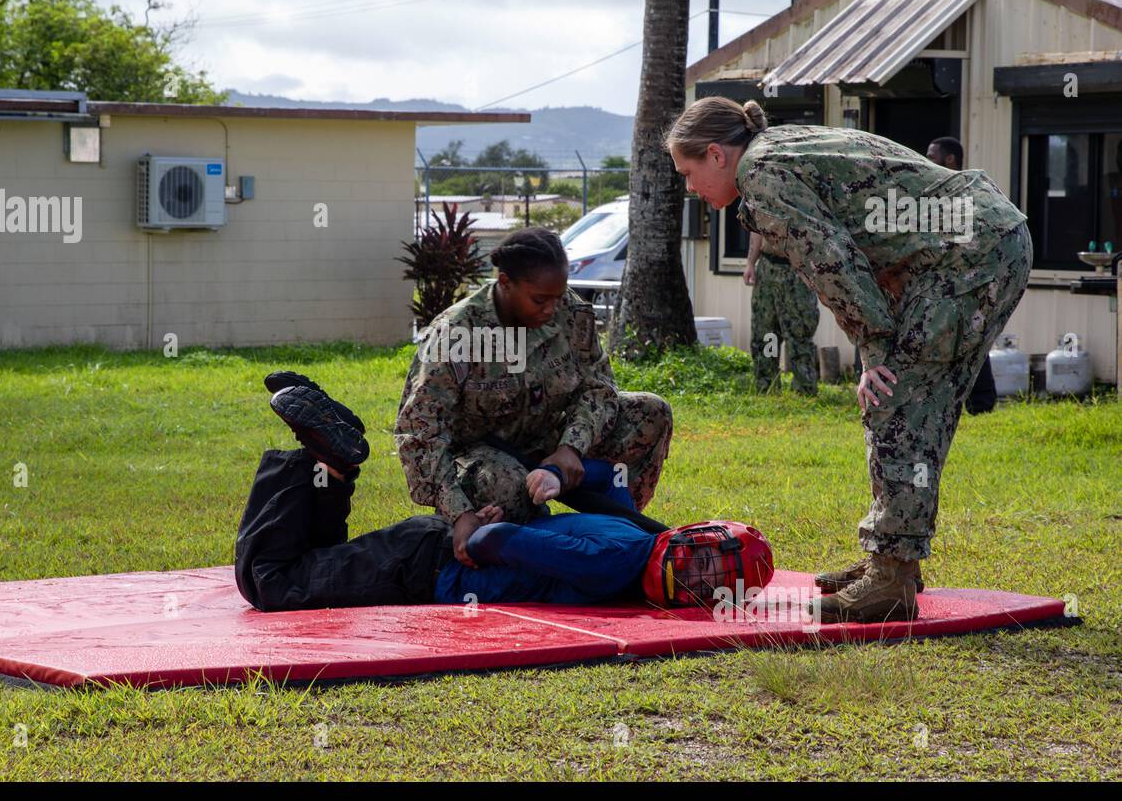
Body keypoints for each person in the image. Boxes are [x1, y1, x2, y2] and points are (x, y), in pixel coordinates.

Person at [665, 98, 1031, 623]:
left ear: (718, 155)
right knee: (912, 404)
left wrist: (874, 349)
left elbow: (833, 265)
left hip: (969, 250)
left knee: (895, 399)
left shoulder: (762, 173)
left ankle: (892, 577)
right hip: (976, 239)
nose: (690, 188)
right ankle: (892, 559)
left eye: (689, 171)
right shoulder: (778, 148)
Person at [235, 373, 768, 611]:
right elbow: (512, 542)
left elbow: (607, 484)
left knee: (317, 563)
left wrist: (557, 479)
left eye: (707, 578)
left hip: (432, 549)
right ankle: (325, 464)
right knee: (271, 584)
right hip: (432, 566)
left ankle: (329, 468)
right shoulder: (616, 561)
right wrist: (484, 531)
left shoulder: (637, 530)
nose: (694, 576)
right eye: (703, 566)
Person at [394, 227, 674, 569]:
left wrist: (571, 446)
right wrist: (460, 513)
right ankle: (523, 544)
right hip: (478, 455)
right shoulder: (458, 332)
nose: (551, 309)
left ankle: (617, 535)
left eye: (557, 297)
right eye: (540, 299)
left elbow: (599, 389)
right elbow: (419, 432)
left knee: (650, 413)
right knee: (507, 484)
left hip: (548, 441)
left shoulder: (570, 312)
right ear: (505, 282)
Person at [926, 136, 996, 415]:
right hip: (945, 281)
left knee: (973, 338)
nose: (927, 160)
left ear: (950, 159)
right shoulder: (938, 191)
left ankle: (982, 402)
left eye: (932, 156)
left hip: (968, 279)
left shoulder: (968, 190)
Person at [744, 229, 820, 395]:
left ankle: (804, 390)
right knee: (766, 334)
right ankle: (766, 387)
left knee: (799, 333)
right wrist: (750, 262)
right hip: (767, 268)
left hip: (798, 271)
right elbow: (756, 229)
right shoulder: (761, 203)